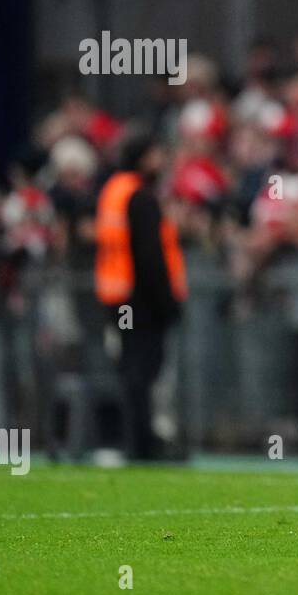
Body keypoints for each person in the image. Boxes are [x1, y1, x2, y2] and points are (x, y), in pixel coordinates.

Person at [95, 133, 187, 461]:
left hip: (117, 297)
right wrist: (168, 303)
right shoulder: (140, 197)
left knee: (132, 371)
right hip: (142, 301)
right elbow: (150, 257)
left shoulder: (113, 192)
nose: (161, 162)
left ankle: (138, 441)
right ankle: (144, 443)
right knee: (143, 372)